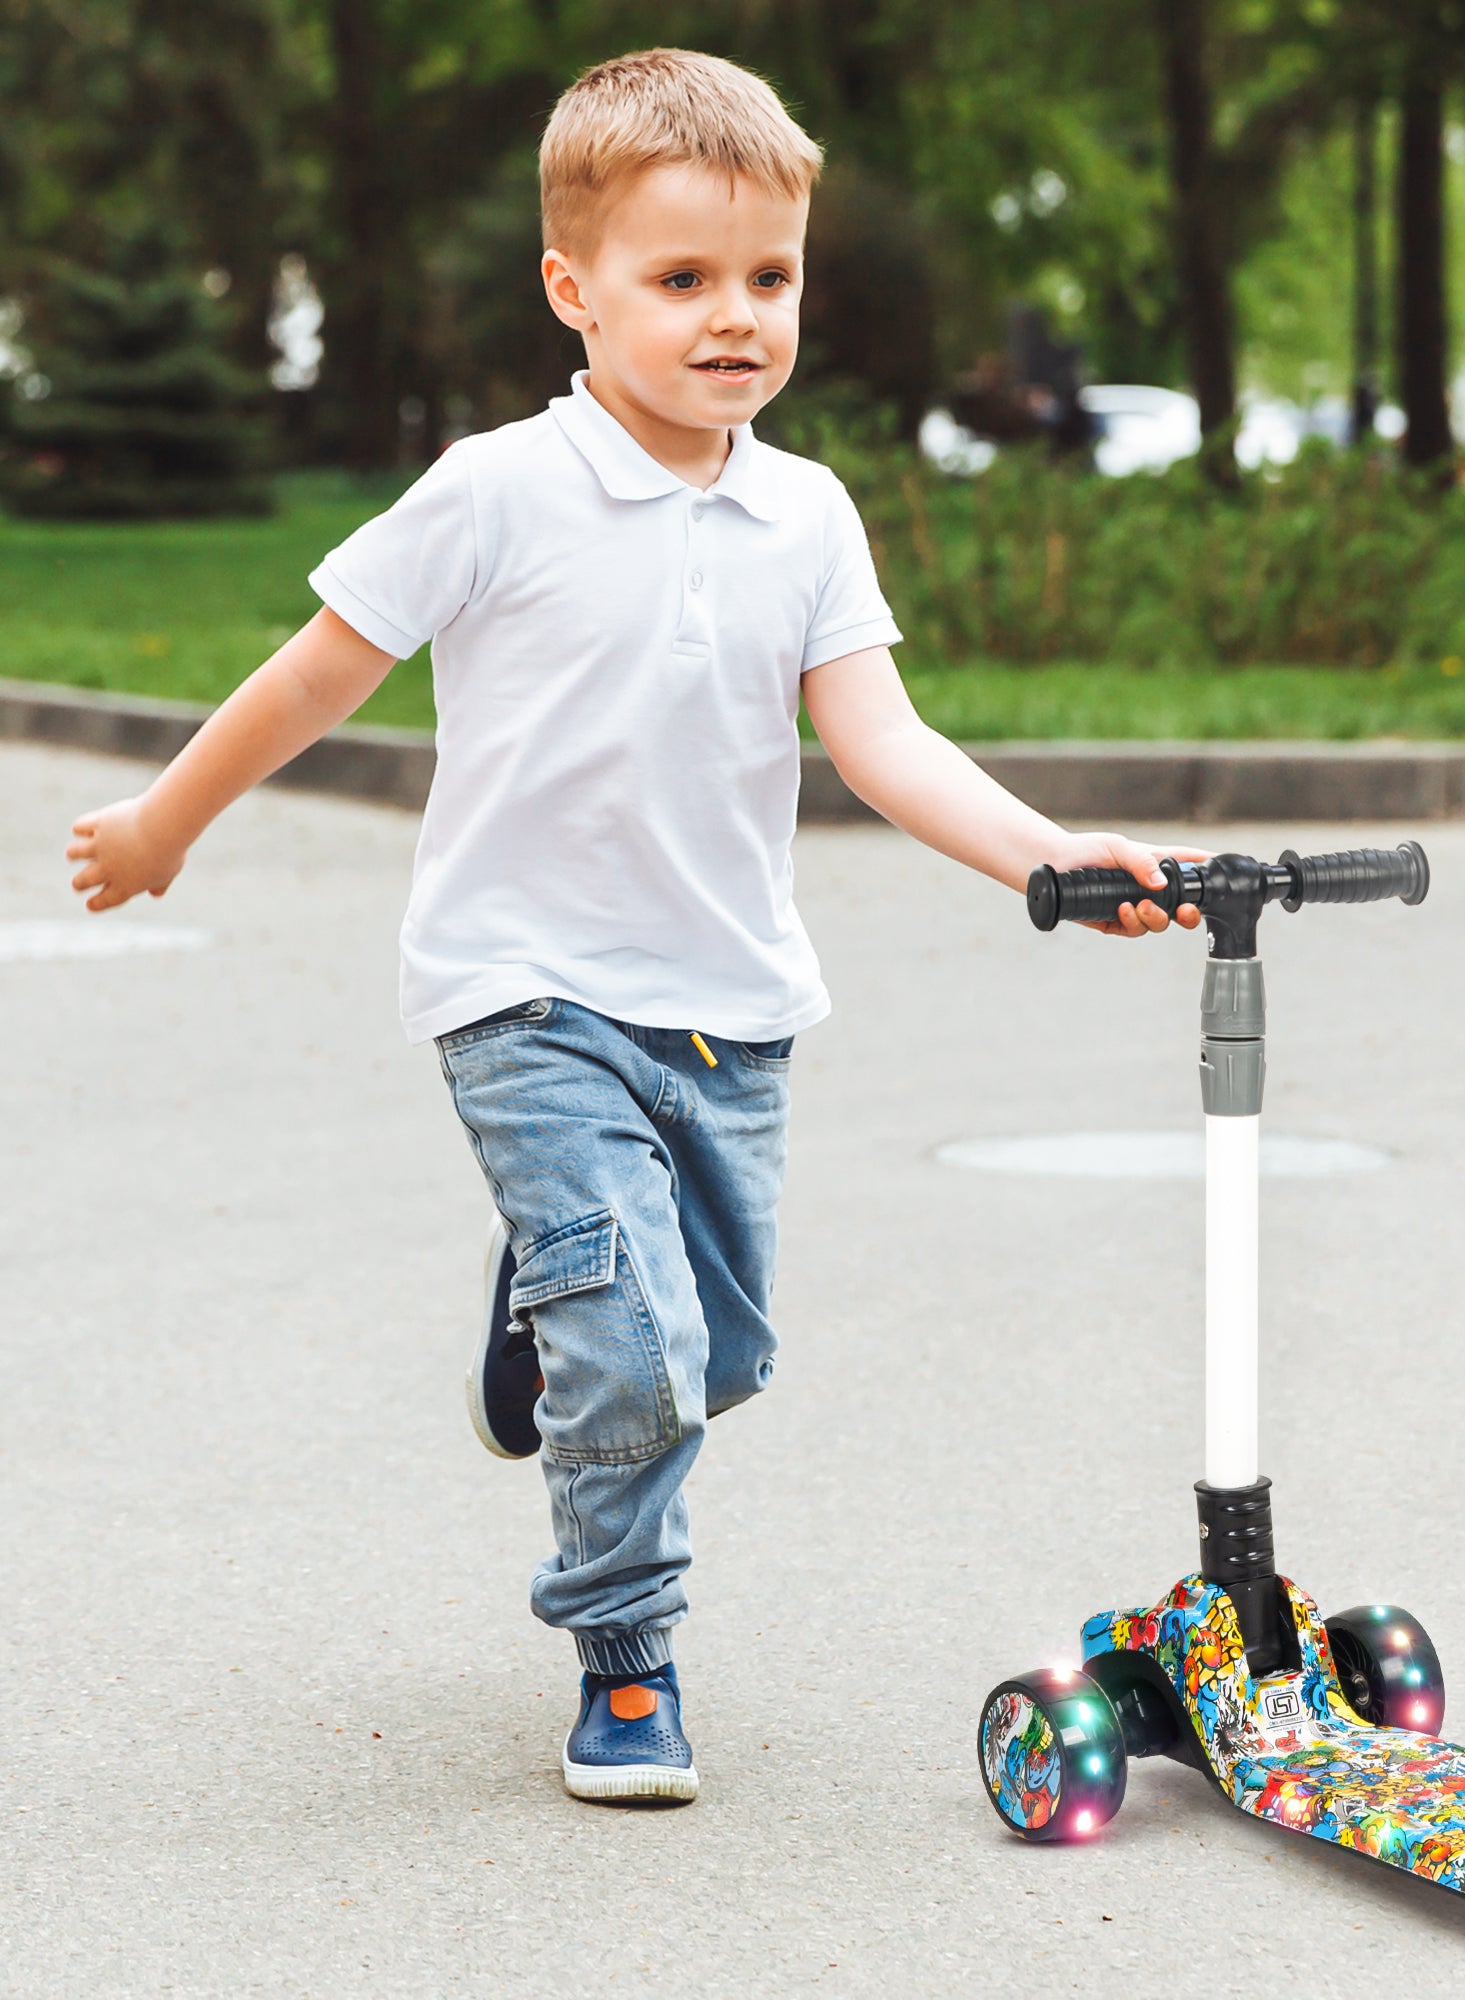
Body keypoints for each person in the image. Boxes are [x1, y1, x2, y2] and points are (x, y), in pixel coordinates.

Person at [63, 47, 1198, 1805]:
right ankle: (627, 1658)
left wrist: (1051, 858)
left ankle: (541, 1306)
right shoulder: (496, 488)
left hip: (731, 1006)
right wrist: (163, 822)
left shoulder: (804, 512)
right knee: (645, 1358)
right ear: (571, 289)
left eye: (769, 277)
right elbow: (315, 675)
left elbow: (882, 741)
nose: (734, 317)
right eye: (682, 279)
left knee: (714, 1354)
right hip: (522, 990)